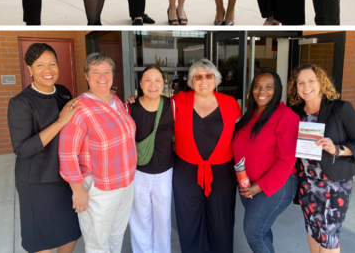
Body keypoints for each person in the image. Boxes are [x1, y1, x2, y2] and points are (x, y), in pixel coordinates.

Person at [287, 64, 355, 252]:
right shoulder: (294, 113)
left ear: (321, 83)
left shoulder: (340, 108)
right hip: (306, 182)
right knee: (312, 229)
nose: (306, 86)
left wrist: (337, 149)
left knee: (329, 236)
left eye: (311, 81)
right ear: (295, 87)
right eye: (300, 82)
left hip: (335, 183)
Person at [7, 43, 82, 253]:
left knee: (71, 231)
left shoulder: (64, 93)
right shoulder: (20, 103)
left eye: (52, 64)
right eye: (40, 65)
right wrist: (60, 122)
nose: (48, 71)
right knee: (41, 239)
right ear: (29, 69)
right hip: (37, 180)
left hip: (65, 176)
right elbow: (22, 149)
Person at [59, 52, 136, 253]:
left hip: (126, 183)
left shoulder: (116, 100)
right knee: (97, 243)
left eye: (106, 72)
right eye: (96, 72)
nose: (102, 77)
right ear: (86, 76)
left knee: (116, 235)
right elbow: (67, 153)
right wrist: (78, 190)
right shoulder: (79, 108)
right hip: (100, 188)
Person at [171, 58, 241, 252]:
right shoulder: (177, 101)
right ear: (191, 81)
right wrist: (133, 101)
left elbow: (240, 137)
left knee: (221, 219)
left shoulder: (230, 103)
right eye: (198, 76)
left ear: (216, 79)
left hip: (222, 171)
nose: (204, 81)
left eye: (208, 76)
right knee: (188, 219)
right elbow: (154, 111)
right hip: (186, 170)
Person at [232, 71, 299, 253]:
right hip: (247, 183)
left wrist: (259, 186)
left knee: (253, 232)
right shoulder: (249, 114)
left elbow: (287, 159)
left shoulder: (285, 116)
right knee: (262, 230)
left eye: (269, 87)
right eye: (257, 86)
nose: (262, 91)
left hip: (275, 186)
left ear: (277, 91)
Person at [127, 66, 174, 253]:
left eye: (157, 80)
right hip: (138, 172)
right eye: (148, 80)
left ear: (164, 84)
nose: (153, 85)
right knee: (140, 217)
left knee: (163, 218)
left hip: (165, 171)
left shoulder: (172, 105)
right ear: (140, 83)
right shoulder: (129, 107)